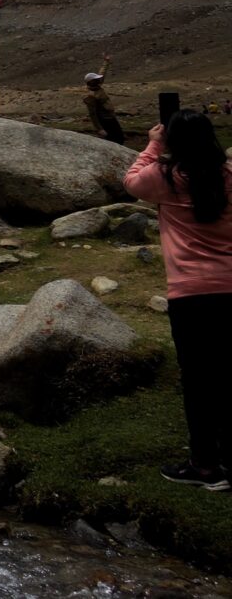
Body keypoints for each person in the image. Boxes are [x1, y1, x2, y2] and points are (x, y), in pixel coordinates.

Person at [125, 109, 232, 490]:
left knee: (200, 380)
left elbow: (132, 181)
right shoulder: (228, 174)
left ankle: (205, 466)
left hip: (191, 294)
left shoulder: (167, 177)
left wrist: (154, 143)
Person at [84, 55, 125, 144]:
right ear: (91, 82)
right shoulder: (90, 96)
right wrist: (99, 129)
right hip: (105, 120)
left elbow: (102, 73)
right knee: (114, 140)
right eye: (96, 79)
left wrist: (106, 62)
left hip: (110, 117)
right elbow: (92, 114)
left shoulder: (97, 86)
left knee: (119, 138)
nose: (99, 80)